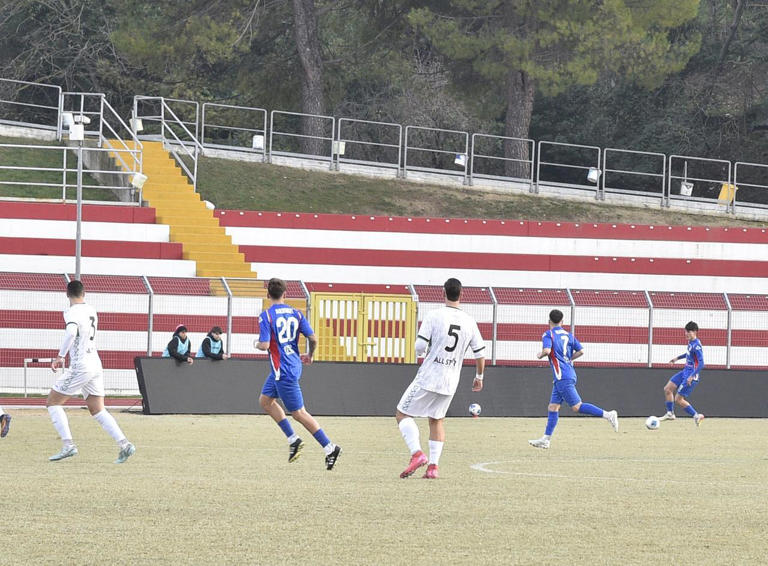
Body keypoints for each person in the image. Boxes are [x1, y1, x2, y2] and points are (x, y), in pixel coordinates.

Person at [396, 277, 485, 479]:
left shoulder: (434, 315)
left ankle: (417, 454)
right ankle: (433, 468)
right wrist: (479, 377)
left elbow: (419, 347)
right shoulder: (470, 321)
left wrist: (425, 351)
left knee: (402, 414)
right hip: (450, 380)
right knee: (437, 420)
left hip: (429, 376)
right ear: (461, 295)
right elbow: (480, 354)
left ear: (443, 293)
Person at [256, 278, 342, 470]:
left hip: (282, 370)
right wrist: (310, 355)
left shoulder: (266, 316)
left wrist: (256, 343)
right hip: (290, 366)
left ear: (268, 295)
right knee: (265, 401)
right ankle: (293, 439)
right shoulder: (297, 313)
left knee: (299, 413)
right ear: (285, 294)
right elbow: (312, 337)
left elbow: (263, 345)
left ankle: (330, 447)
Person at [48, 280, 135, 463]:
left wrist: (60, 356)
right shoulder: (91, 310)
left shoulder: (72, 312)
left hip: (81, 364)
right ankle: (125, 444)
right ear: (84, 293)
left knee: (53, 402)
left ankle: (68, 445)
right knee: (97, 409)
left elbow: (71, 333)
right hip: (95, 363)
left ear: (67, 294)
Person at [529, 309, 618, 449]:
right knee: (553, 407)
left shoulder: (548, 334)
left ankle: (608, 415)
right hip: (567, 374)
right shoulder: (568, 335)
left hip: (562, 376)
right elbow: (581, 351)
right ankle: (546, 439)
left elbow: (546, 351)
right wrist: (569, 359)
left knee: (577, 407)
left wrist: (539, 355)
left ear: (549, 321)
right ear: (562, 322)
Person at [659, 321, 705, 426]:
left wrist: (692, 376)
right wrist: (677, 358)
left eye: (688, 332)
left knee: (678, 399)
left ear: (694, 332)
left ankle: (697, 416)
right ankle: (670, 414)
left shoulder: (697, 346)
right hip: (685, 371)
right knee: (668, 388)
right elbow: (688, 353)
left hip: (691, 375)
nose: (686, 334)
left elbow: (701, 363)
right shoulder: (691, 343)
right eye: (685, 331)